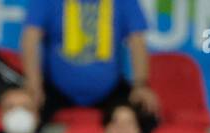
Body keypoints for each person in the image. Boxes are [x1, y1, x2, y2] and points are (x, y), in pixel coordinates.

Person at [21, 0, 158, 120]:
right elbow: (30, 38)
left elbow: (137, 40)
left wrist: (140, 85)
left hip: (110, 90)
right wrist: (34, 85)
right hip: (56, 88)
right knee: (25, 114)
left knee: (145, 112)